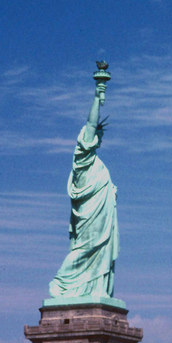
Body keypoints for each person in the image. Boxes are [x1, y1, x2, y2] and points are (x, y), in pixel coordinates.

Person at [49, 77, 119, 299]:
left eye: (100, 135)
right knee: (84, 249)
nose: (99, 137)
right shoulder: (82, 157)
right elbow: (90, 123)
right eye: (97, 134)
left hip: (101, 216)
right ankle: (62, 283)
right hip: (89, 214)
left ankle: (95, 290)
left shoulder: (97, 163)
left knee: (98, 251)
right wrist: (99, 95)